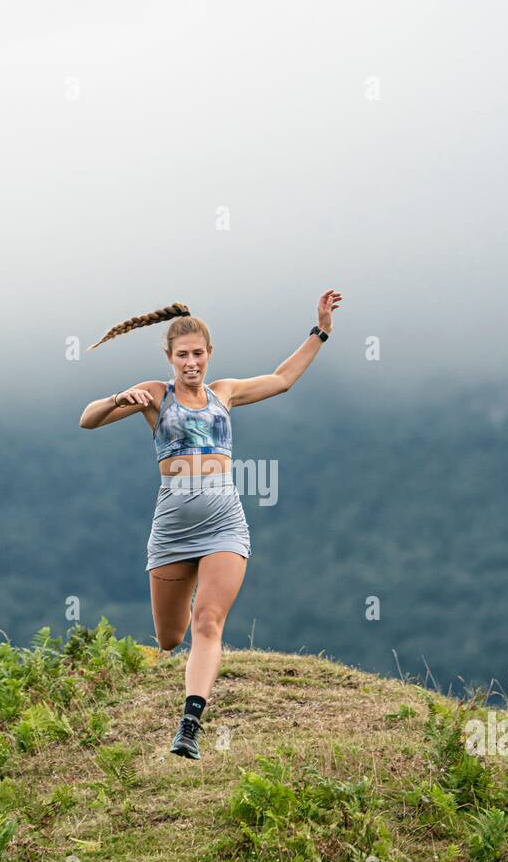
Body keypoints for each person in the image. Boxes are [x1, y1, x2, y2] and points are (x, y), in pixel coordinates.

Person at [79, 291, 342, 759]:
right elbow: (87, 421)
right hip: (173, 529)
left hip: (225, 522)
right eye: (183, 355)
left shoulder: (225, 394)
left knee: (209, 621)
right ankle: (175, 685)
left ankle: (189, 725)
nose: (191, 362)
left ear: (209, 354)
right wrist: (119, 398)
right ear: (169, 358)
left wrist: (319, 331)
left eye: (198, 354)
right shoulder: (155, 396)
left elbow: (282, 379)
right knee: (170, 637)